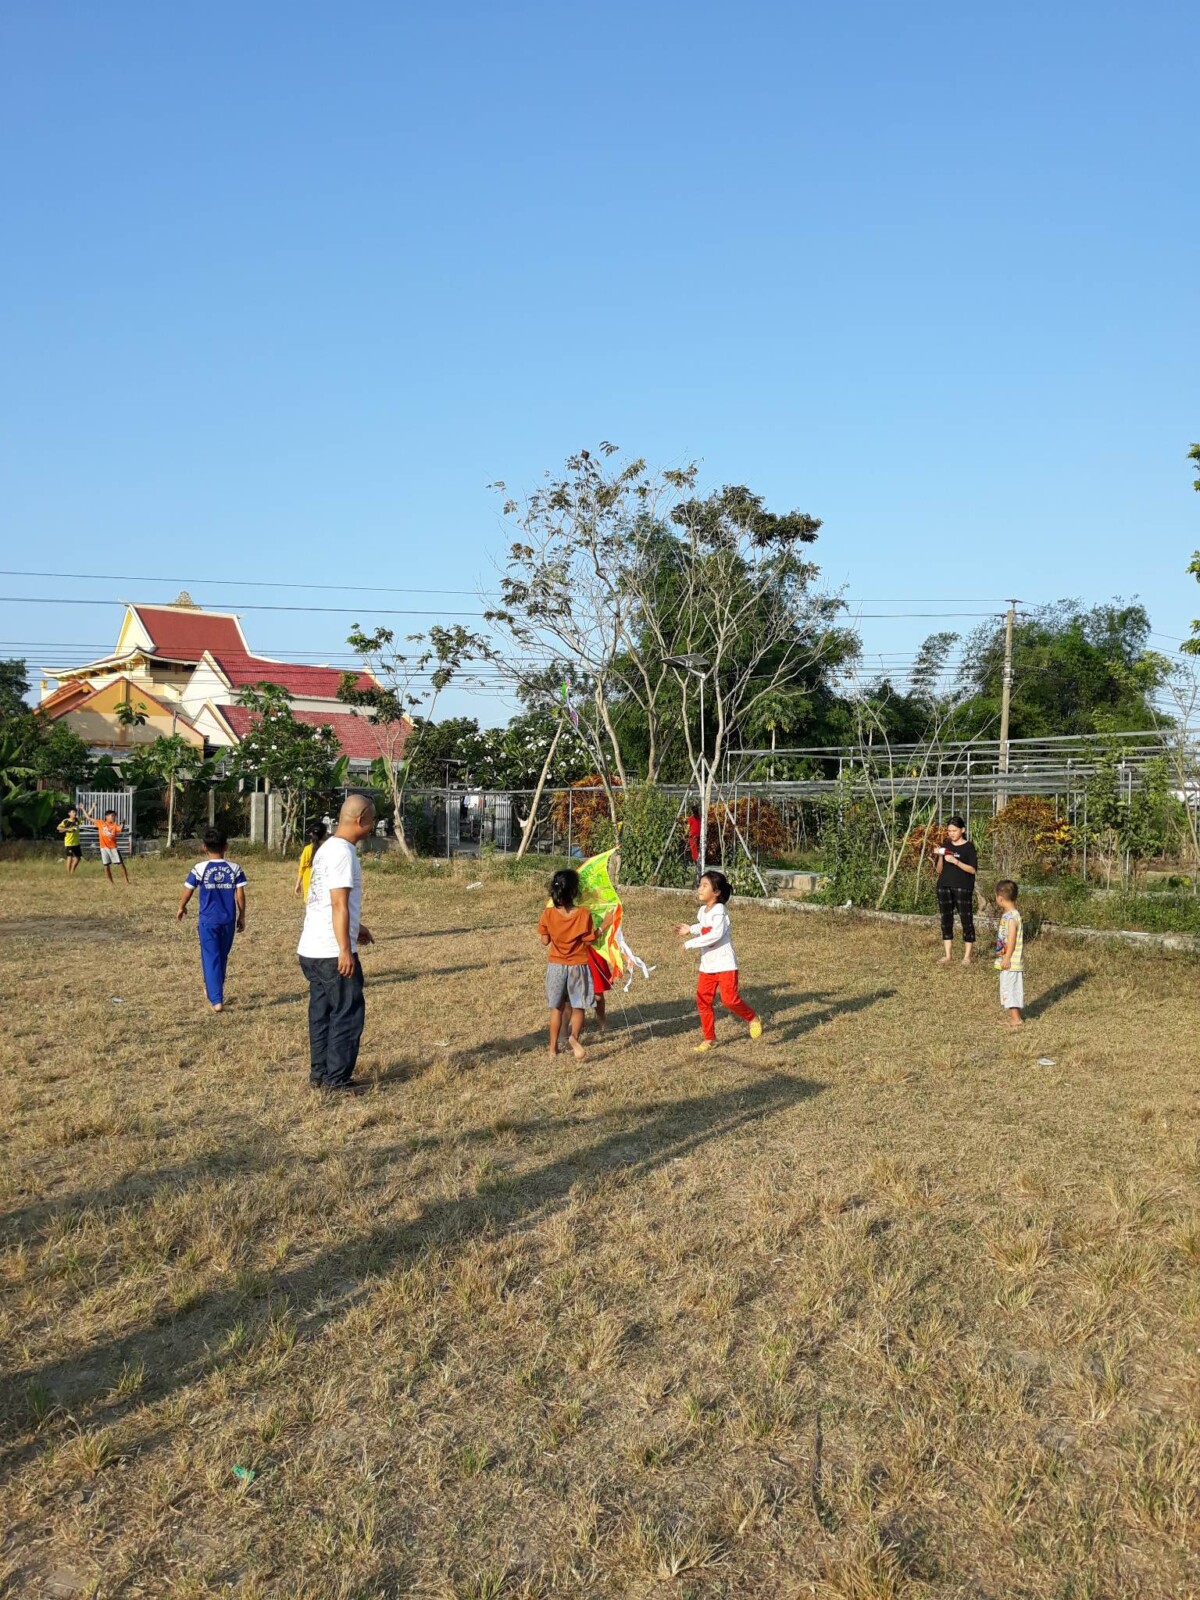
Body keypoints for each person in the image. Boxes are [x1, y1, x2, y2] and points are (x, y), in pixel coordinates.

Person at [297, 793, 377, 1092]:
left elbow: (323, 901)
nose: (372, 827)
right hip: (332, 952)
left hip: (311, 949)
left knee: (322, 1013)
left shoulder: (326, 848)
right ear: (361, 820)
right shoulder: (344, 852)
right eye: (373, 821)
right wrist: (345, 949)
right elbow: (338, 904)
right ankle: (337, 1080)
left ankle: (319, 1074)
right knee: (347, 1012)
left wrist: (357, 928)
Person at [676, 868, 763, 1053]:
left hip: (725, 965)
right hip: (707, 966)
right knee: (702, 1001)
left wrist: (690, 943)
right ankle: (709, 1039)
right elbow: (704, 927)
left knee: (729, 1000)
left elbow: (715, 934)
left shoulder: (720, 911)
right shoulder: (702, 911)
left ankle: (753, 1018)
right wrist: (690, 929)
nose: (699, 889)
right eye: (700, 885)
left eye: (705, 885)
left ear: (716, 892)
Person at [176, 827, 247, 1012]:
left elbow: (188, 889)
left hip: (208, 921)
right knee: (222, 956)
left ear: (203, 847)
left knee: (211, 957)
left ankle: (216, 999)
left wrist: (181, 907)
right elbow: (240, 895)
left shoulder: (199, 869)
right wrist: (242, 915)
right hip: (228, 920)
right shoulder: (234, 869)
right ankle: (215, 990)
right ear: (226, 846)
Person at [538, 868, 595, 1060]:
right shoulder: (583, 914)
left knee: (557, 1008)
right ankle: (573, 1038)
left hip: (555, 966)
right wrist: (604, 926)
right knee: (578, 1007)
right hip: (578, 966)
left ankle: (552, 1048)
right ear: (574, 892)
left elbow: (545, 941)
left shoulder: (547, 914)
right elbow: (589, 941)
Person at [934, 814, 977, 965]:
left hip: (963, 887)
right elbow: (939, 871)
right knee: (946, 920)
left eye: (954, 830)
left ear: (962, 830)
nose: (951, 833)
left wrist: (955, 861)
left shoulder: (968, 847)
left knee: (966, 919)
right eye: (949, 831)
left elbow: (972, 870)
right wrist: (940, 856)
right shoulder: (946, 845)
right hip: (944, 886)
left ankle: (967, 957)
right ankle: (948, 955)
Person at [994, 879, 1024, 1028]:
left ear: (1000, 898)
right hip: (1007, 961)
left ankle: (1016, 1019)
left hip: (1011, 962)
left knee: (1011, 988)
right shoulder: (1009, 915)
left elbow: (1011, 939)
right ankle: (1014, 1016)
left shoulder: (1012, 917)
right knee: (1008, 987)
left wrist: (1007, 958)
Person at [84, 806, 130, 884]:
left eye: (114, 816)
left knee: (121, 864)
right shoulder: (100, 823)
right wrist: (84, 809)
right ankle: (111, 883)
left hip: (113, 848)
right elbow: (88, 817)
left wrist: (123, 823)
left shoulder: (115, 825)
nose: (114, 817)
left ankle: (126, 881)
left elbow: (121, 829)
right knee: (106, 866)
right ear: (107, 816)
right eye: (112, 816)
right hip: (103, 848)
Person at [294, 821, 328, 901]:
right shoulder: (327, 849)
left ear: (312, 834)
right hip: (324, 885)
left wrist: (298, 883)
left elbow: (302, 868)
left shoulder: (307, 849)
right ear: (325, 834)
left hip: (309, 884)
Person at [57, 807, 83, 874]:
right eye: (73, 812)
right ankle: (68, 873)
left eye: (75, 812)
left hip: (76, 842)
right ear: (69, 814)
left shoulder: (77, 820)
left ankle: (72, 872)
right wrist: (67, 829)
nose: (75, 813)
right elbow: (58, 828)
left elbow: (87, 815)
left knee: (78, 858)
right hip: (69, 842)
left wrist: (92, 807)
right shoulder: (66, 821)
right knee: (69, 857)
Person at [687, 805, 703, 886]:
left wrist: (686, 833)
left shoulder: (691, 819)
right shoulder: (700, 818)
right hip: (699, 837)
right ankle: (698, 863)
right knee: (698, 851)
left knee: (694, 852)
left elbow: (687, 828)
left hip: (693, 837)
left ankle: (697, 865)